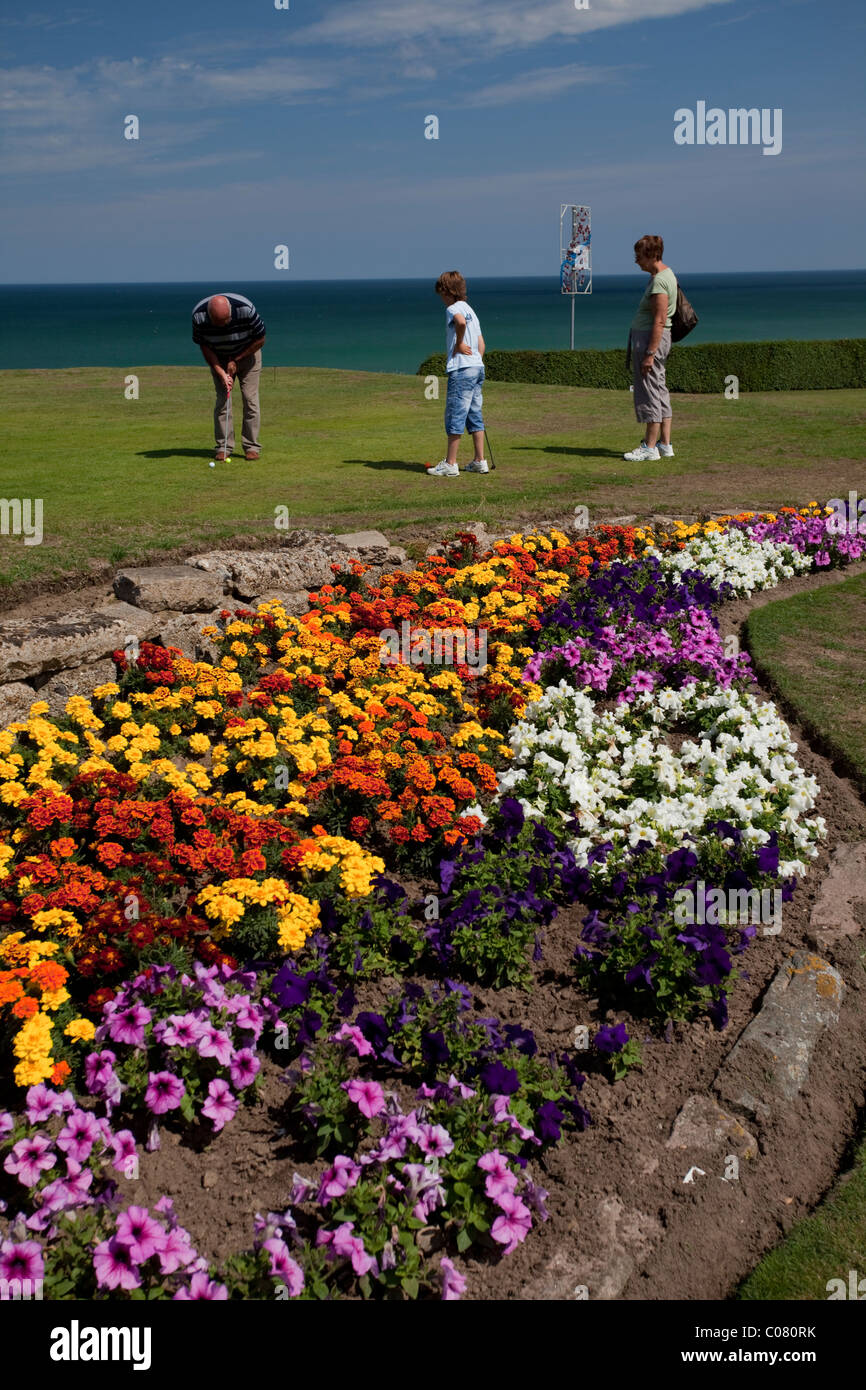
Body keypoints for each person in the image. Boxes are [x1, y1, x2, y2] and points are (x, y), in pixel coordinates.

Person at [427, 272, 489, 477]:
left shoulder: (452, 308)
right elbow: (481, 344)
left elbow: (460, 323)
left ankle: (450, 464)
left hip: (462, 369)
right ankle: (480, 461)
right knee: (474, 414)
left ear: (447, 292)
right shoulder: (472, 310)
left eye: (441, 294)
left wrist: (460, 343)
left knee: (455, 413)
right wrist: (476, 360)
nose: (441, 299)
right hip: (477, 368)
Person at [191, 292, 266, 461]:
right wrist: (221, 372)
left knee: (250, 400)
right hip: (219, 356)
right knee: (223, 401)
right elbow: (204, 347)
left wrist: (236, 360)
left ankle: (251, 447)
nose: (222, 328)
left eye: (225, 322)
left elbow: (261, 339)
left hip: (248, 355)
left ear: (231, 313)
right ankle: (224, 446)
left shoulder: (245, 309)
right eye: (217, 324)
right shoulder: (199, 316)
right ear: (210, 316)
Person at [624, 236, 677, 462]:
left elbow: (659, 319)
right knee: (659, 388)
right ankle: (665, 444)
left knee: (649, 391)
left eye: (639, 256)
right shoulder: (665, 275)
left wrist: (649, 353)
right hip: (655, 339)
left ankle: (650, 446)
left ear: (653, 255)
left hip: (651, 341)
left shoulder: (659, 281)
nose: (637, 261)